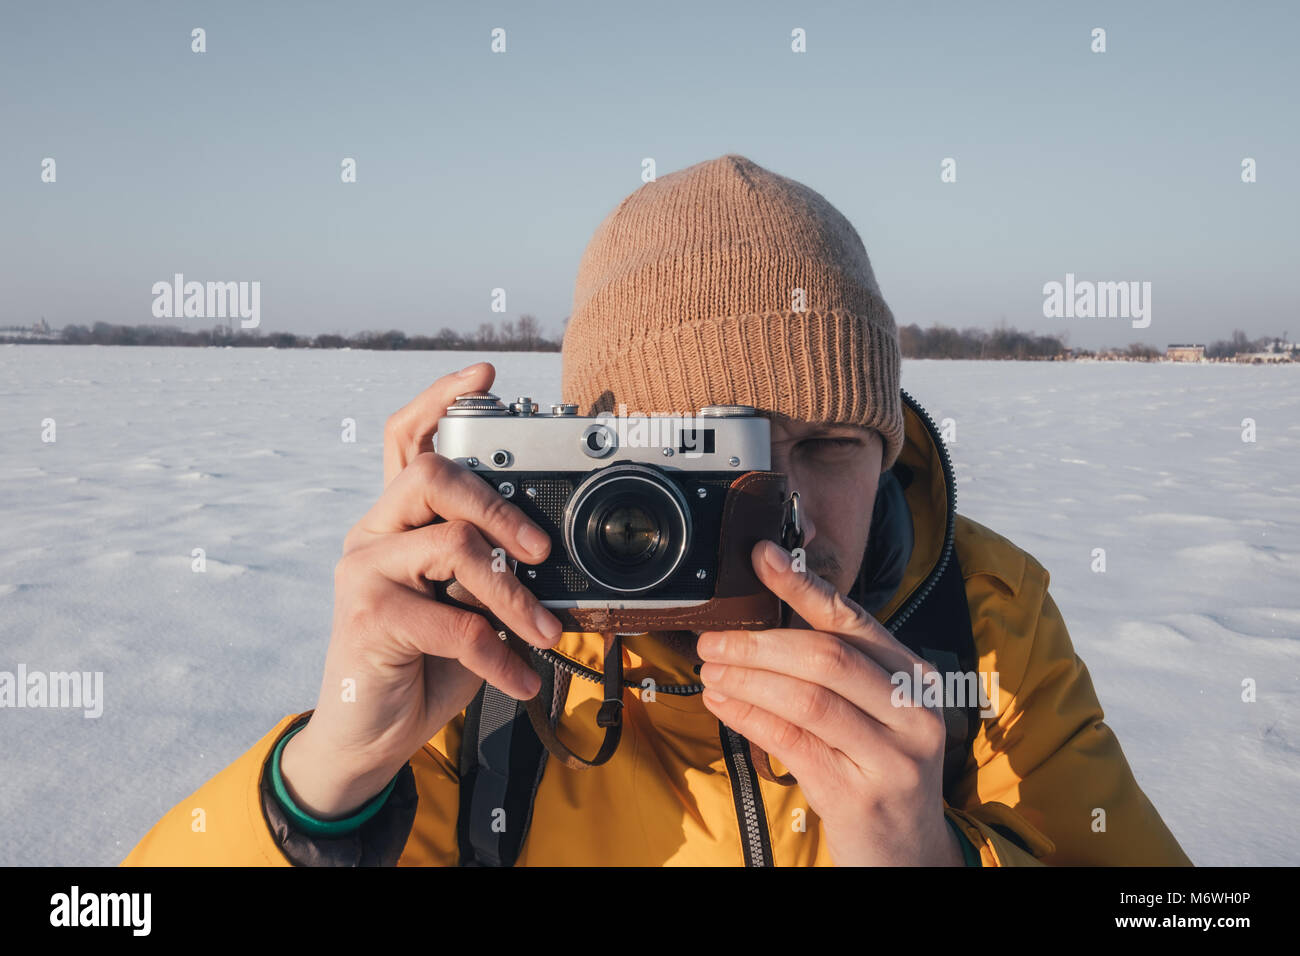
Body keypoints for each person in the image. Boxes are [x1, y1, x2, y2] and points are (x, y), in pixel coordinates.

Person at [123, 155, 1191, 866]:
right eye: (697, 463)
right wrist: (324, 790)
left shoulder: (985, 629)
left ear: (890, 449)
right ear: (581, 462)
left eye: (825, 448)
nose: (779, 520)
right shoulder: (491, 667)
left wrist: (934, 855)